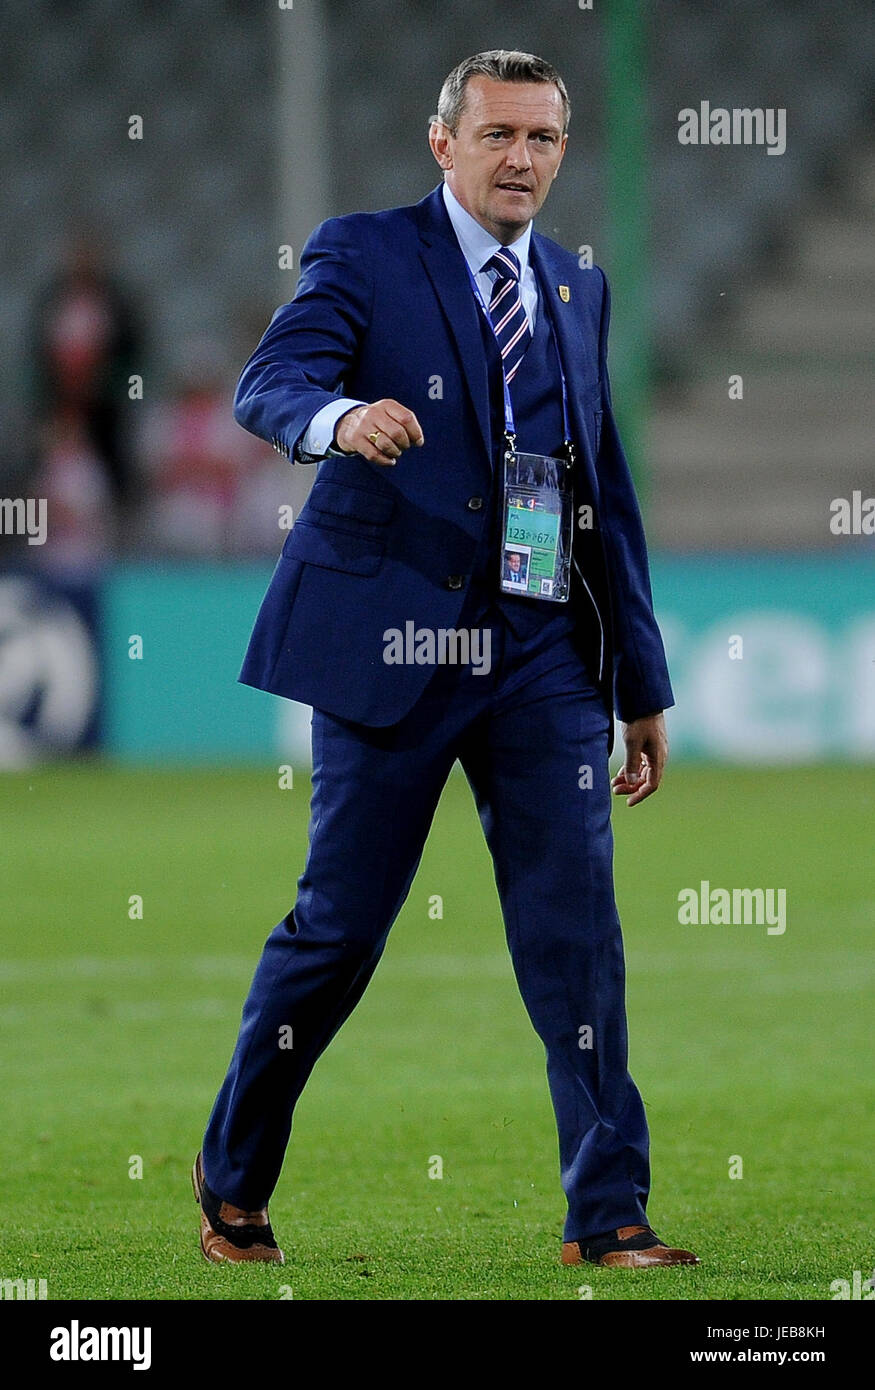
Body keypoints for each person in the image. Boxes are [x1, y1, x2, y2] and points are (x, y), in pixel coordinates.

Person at [194, 49, 699, 1272]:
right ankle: (233, 1180)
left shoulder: (577, 283)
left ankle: (608, 1214)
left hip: (541, 655)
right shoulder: (365, 252)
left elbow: (602, 493)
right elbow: (270, 384)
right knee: (339, 931)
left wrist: (638, 679)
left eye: (541, 139)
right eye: (497, 136)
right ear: (443, 144)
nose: (520, 158)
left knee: (576, 933)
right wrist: (340, 422)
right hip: (394, 648)